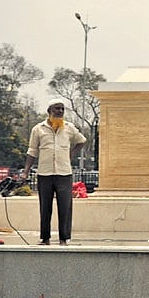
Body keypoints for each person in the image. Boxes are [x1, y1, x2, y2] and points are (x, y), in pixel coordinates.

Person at [20, 99, 87, 246]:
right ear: (49, 111)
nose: (60, 111)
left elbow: (82, 141)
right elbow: (32, 151)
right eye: (57, 109)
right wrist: (25, 172)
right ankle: (45, 238)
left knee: (65, 207)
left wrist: (71, 153)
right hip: (45, 173)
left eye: (62, 109)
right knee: (45, 207)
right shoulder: (38, 129)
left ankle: (64, 238)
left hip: (64, 173)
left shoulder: (69, 128)